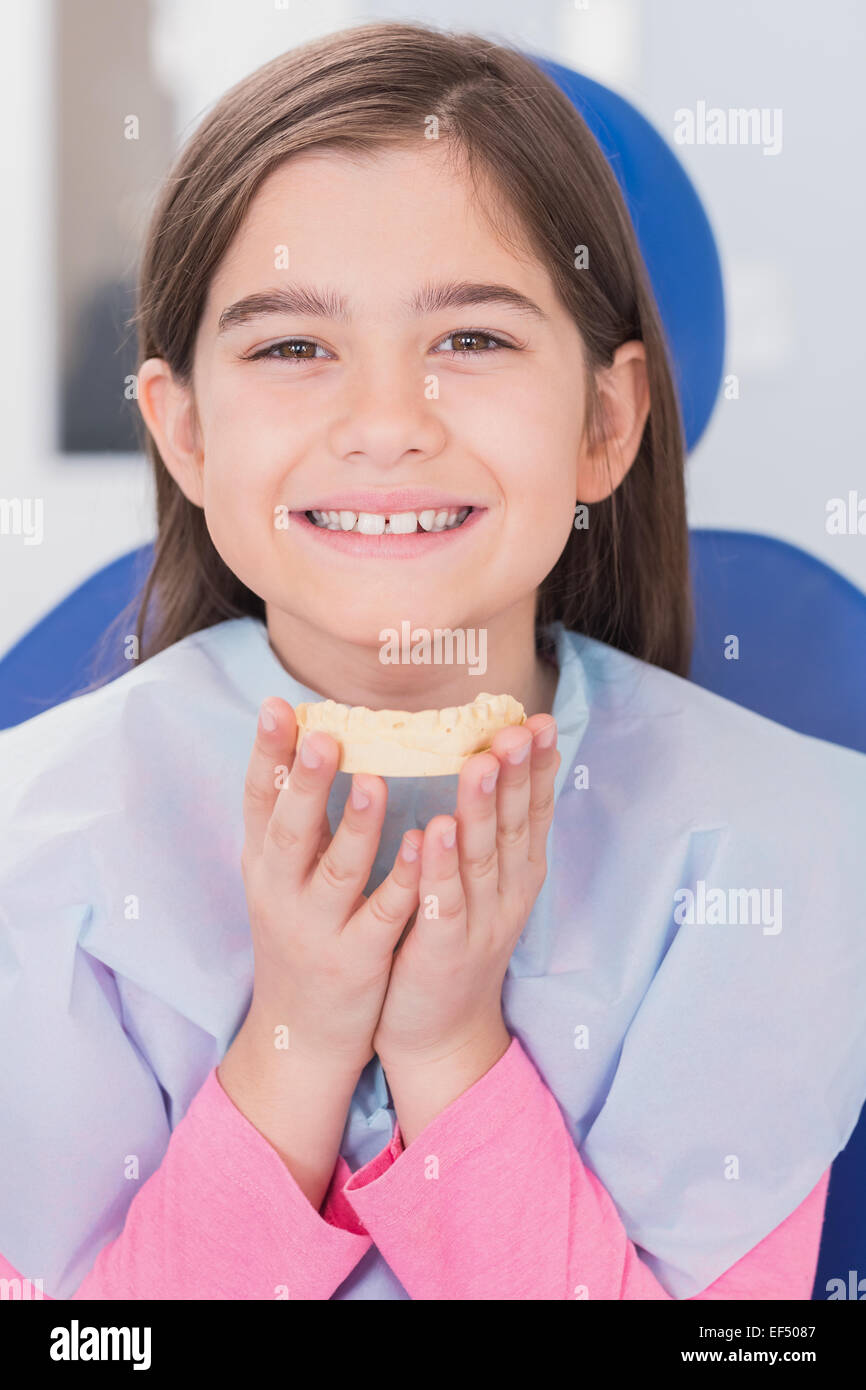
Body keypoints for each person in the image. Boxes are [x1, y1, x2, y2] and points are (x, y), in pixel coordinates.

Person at [1, 20, 863, 1302]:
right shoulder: (34, 842)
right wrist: (295, 1038)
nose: (388, 423)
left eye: (472, 340)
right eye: (291, 346)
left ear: (604, 421)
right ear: (183, 433)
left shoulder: (790, 853)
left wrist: (450, 1047)